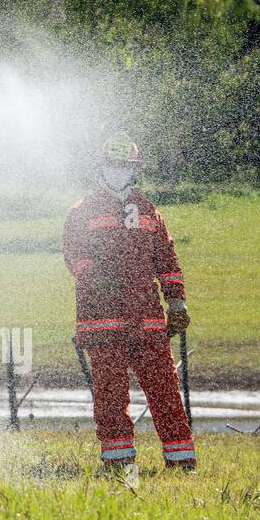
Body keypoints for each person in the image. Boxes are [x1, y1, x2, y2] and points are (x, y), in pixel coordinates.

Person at [63, 131, 196, 473]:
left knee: (165, 392)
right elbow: (75, 257)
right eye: (112, 164)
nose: (118, 170)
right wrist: (98, 281)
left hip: (148, 319)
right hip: (103, 320)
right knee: (110, 397)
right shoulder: (82, 211)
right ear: (100, 167)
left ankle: (182, 464)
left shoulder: (150, 210)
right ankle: (119, 463)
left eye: (125, 165)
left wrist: (177, 303)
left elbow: (167, 260)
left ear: (135, 168)